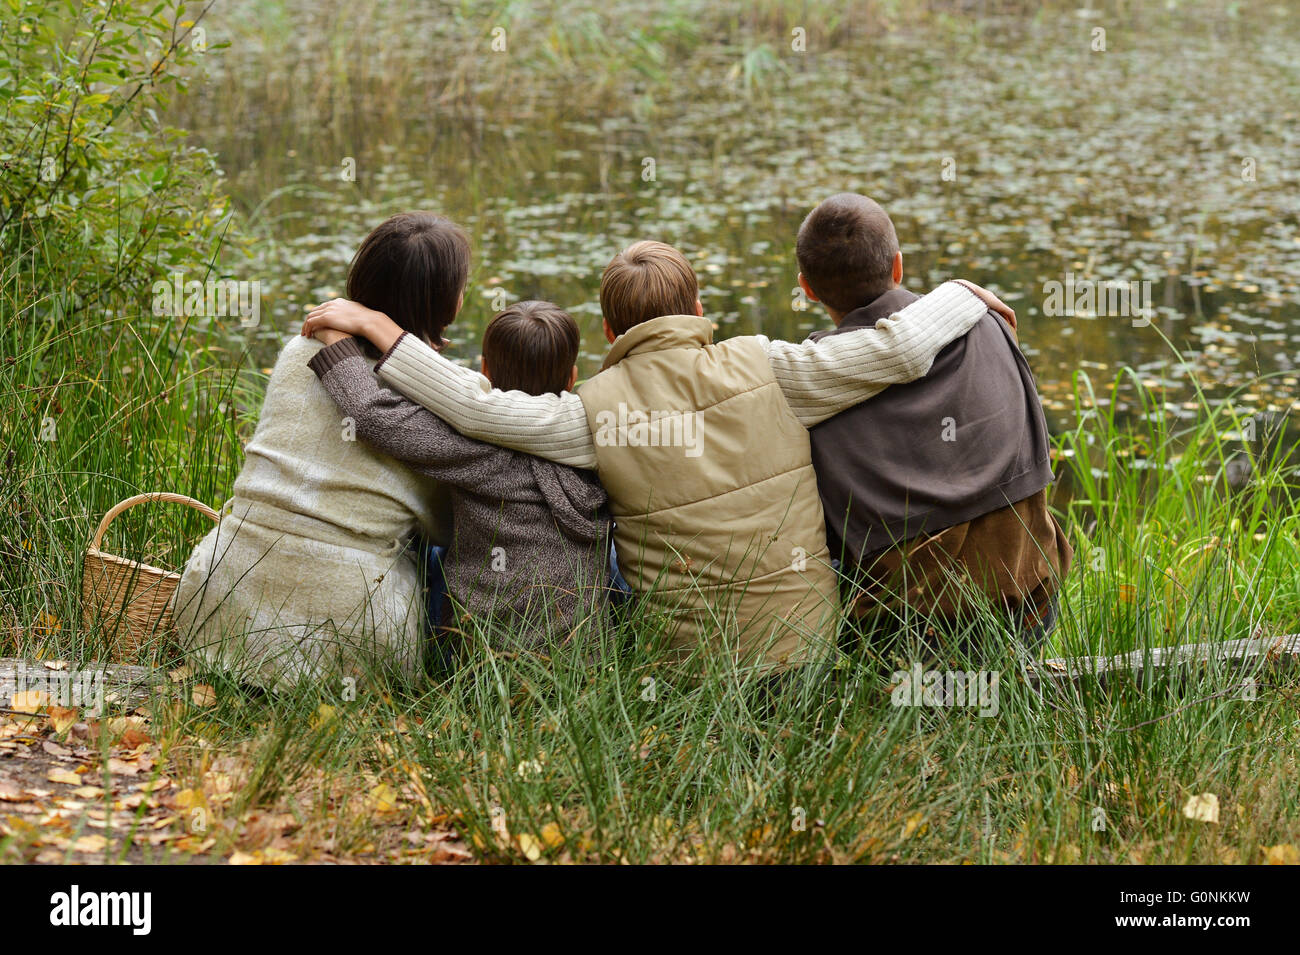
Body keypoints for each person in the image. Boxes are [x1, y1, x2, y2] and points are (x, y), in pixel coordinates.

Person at [301, 242, 1005, 672]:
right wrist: (956, 296)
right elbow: (899, 351)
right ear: (698, 306)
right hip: (806, 655)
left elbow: (477, 408)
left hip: (690, 672)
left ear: (608, 330)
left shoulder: (594, 413)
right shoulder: (771, 366)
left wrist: (380, 329)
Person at [172, 212, 466, 689]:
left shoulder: (300, 350)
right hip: (353, 634)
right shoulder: (440, 396)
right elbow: (446, 526)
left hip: (218, 604)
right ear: (449, 303)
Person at [795, 193, 1072, 651]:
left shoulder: (811, 385)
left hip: (903, 639)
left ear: (807, 288)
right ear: (898, 267)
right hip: (1029, 610)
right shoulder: (991, 323)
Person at [306, 300, 611, 655]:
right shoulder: (597, 440)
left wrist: (337, 343)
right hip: (582, 658)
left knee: (428, 546)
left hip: (479, 655)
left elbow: (374, 417)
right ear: (572, 377)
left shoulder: (473, 447)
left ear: (485, 371)